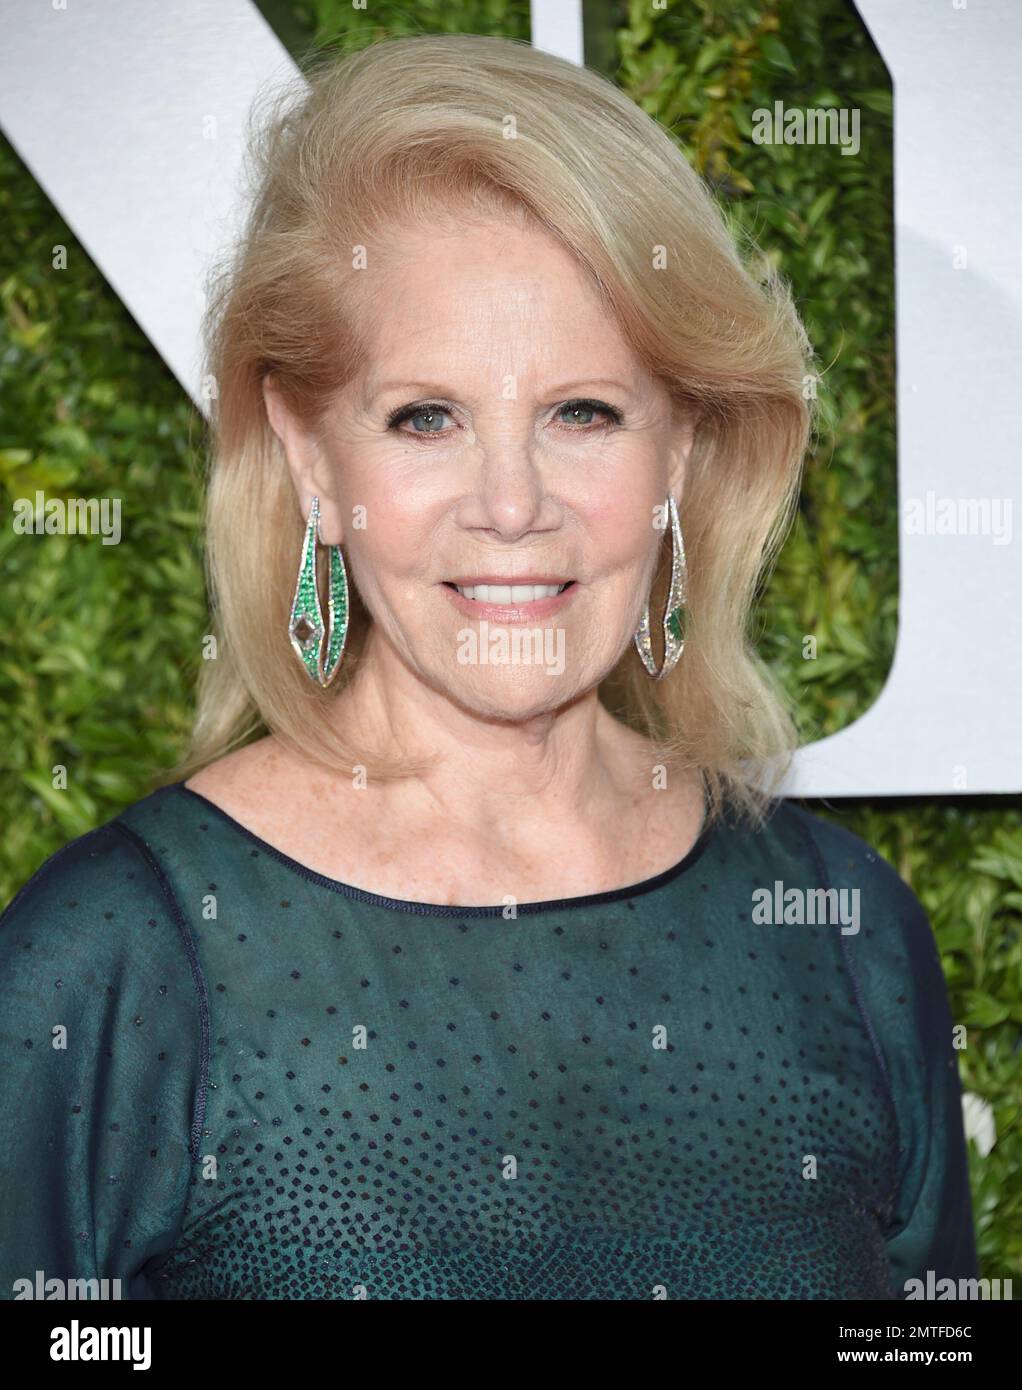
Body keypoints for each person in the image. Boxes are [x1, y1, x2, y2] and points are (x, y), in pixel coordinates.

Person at [0, 32, 976, 1300]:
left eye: (583, 412)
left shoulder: (846, 937)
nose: (510, 506)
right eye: (426, 417)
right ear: (309, 456)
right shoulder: (111, 964)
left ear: (677, 450)